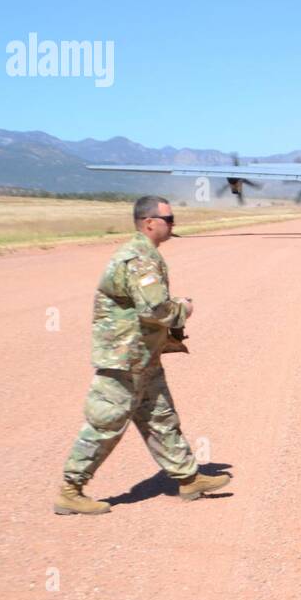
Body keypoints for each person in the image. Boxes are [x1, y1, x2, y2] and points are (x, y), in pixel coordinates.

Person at [55, 196, 230, 514]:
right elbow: (154, 308)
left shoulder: (144, 255)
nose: (173, 224)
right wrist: (183, 310)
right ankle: (71, 489)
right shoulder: (138, 258)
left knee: (161, 418)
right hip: (124, 359)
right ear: (150, 223)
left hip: (142, 357)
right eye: (170, 218)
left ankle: (188, 478)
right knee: (105, 425)